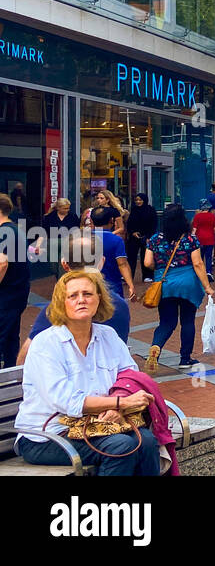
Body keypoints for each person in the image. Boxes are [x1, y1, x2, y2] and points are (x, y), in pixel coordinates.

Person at [14, 270, 160, 475]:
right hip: (46, 436)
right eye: (72, 296)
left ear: (98, 299)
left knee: (146, 441)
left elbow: (129, 377)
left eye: (87, 294)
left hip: (97, 424)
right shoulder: (46, 343)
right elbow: (67, 401)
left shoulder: (108, 335)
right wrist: (121, 403)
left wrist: (118, 407)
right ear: (60, 303)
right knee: (121, 446)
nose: (81, 300)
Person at [144, 204, 215, 373]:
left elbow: (147, 263)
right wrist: (207, 286)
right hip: (187, 283)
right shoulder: (189, 239)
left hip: (165, 283)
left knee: (167, 322)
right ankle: (185, 358)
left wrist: (159, 268)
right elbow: (197, 263)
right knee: (187, 321)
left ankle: (156, 347)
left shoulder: (155, 239)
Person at [0, 193, 29, 367]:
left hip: (7, 293)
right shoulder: (15, 229)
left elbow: (2, 263)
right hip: (17, 292)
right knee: (11, 336)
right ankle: (10, 376)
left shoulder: (4, 231)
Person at [125, 194, 157, 283]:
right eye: (136, 200)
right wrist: (133, 232)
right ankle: (129, 275)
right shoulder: (134, 210)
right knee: (131, 256)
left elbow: (153, 224)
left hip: (146, 237)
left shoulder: (150, 210)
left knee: (145, 256)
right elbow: (130, 224)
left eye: (140, 200)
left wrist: (149, 236)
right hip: (134, 237)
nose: (138, 202)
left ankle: (147, 275)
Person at [191, 200, 215, 277]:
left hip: (200, 239)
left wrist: (192, 238)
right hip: (210, 239)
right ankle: (208, 272)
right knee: (209, 256)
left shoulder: (197, 216)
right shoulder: (212, 216)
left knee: (200, 256)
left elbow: (194, 229)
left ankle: (201, 272)